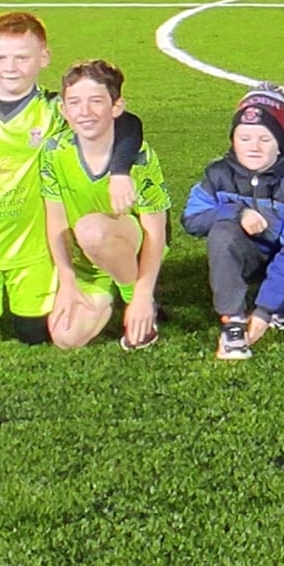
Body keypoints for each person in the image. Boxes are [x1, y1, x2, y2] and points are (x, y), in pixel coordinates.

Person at [0, 12, 143, 348]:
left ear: (44, 58)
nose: (10, 67)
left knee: (35, 334)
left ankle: (120, 289)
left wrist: (119, 172)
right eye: (0, 57)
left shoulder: (55, 109)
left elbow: (128, 123)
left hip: (33, 246)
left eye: (22, 57)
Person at [184, 89, 284, 361]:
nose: (254, 146)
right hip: (245, 255)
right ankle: (234, 321)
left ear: (281, 144)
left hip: (280, 257)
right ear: (233, 140)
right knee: (223, 232)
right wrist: (236, 213)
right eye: (244, 138)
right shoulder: (218, 174)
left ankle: (274, 303)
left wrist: (264, 310)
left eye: (265, 138)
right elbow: (191, 219)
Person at [39, 60, 171, 351]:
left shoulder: (141, 158)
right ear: (63, 109)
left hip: (131, 245)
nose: (84, 112)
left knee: (92, 230)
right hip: (89, 259)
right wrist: (68, 280)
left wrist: (140, 296)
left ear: (116, 107)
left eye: (96, 101)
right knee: (66, 337)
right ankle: (111, 289)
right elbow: (57, 223)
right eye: (74, 102)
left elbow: (156, 231)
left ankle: (137, 296)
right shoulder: (53, 152)